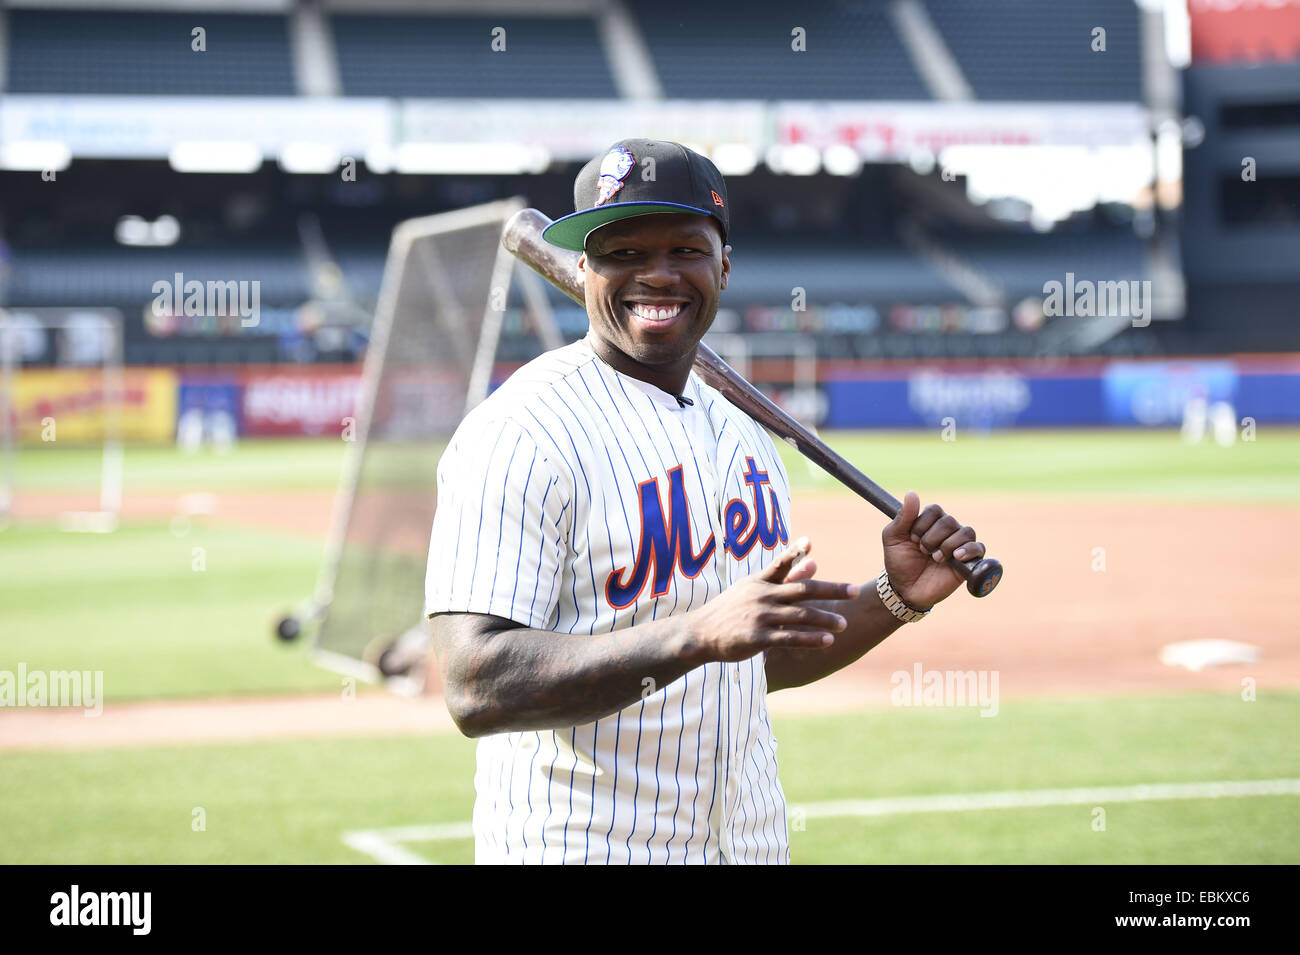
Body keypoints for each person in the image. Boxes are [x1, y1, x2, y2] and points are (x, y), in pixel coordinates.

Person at [424, 138, 986, 864]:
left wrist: (895, 597)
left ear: (723, 264)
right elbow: (476, 683)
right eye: (623, 251)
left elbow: (746, 660)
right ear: (586, 266)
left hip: (746, 845)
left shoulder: (745, 436)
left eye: (684, 249)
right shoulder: (521, 432)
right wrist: (694, 633)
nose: (656, 274)